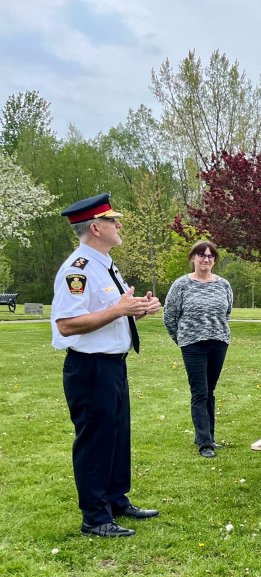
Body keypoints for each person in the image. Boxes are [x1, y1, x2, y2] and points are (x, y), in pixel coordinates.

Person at [51, 193, 162, 537]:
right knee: (96, 440)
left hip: (112, 365)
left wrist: (137, 309)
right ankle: (95, 517)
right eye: (113, 221)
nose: (118, 226)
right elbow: (66, 324)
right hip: (90, 368)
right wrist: (118, 310)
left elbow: (110, 315)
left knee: (116, 435)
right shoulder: (78, 269)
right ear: (96, 228)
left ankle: (115, 500)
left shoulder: (105, 265)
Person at [162, 240, 234, 459]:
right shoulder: (181, 285)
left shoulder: (223, 285)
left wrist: (216, 331)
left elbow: (226, 312)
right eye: (201, 255)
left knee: (210, 391)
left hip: (218, 342)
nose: (206, 259)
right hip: (192, 345)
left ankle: (208, 436)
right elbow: (169, 316)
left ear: (215, 260)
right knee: (199, 392)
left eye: (210, 256)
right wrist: (183, 339)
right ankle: (204, 444)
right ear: (193, 257)